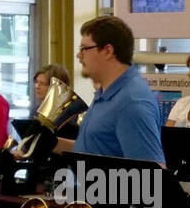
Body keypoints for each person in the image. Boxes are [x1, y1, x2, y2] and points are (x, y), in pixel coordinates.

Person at [58, 15, 163, 164]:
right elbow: (94, 151)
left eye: (84, 49)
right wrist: (52, 144)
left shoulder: (132, 103)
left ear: (107, 51)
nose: (79, 55)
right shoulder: (106, 93)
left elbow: (151, 175)